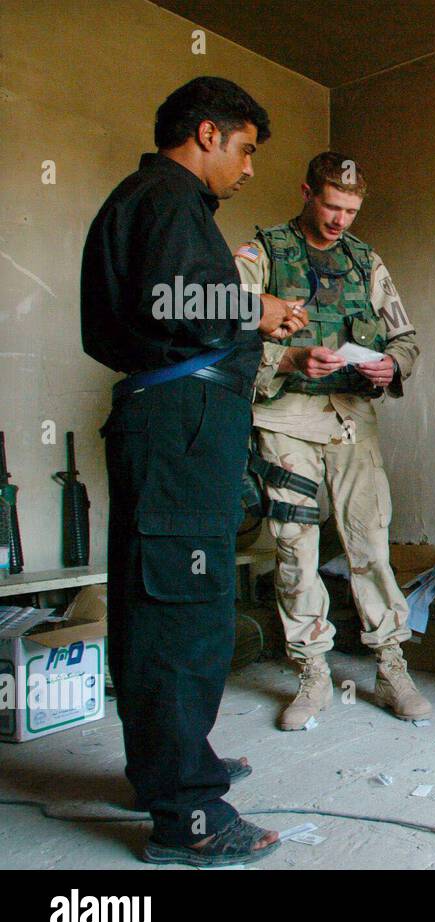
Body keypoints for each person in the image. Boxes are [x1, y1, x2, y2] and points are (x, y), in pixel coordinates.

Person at [81, 76, 305, 866]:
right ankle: (189, 814)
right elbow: (178, 302)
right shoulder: (167, 198)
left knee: (159, 596)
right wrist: (261, 311)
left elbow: (126, 321)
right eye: (245, 149)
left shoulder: (146, 202)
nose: (248, 168)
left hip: (170, 421)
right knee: (182, 606)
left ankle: (168, 771)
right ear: (207, 134)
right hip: (180, 428)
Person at [233, 152, 431, 731]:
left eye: (351, 210)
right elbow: (219, 333)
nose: (341, 219)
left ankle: (391, 663)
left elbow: (406, 338)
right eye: (331, 205)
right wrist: (289, 357)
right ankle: (313, 670)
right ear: (305, 192)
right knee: (295, 546)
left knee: (370, 539)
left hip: (351, 420)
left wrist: (391, 366)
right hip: (285, 420)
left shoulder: (366, 261)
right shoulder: (261, 255)